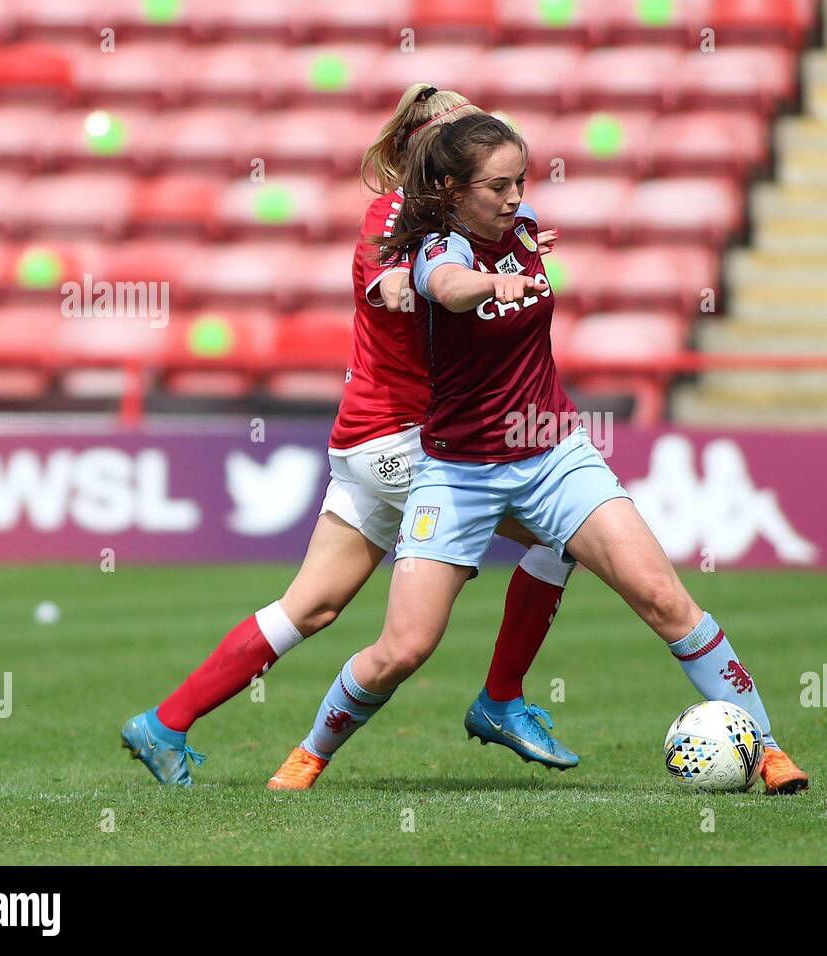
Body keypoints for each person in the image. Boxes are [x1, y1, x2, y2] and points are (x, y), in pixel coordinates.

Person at [279, 112, 810, 794]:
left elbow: (518, 229)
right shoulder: (439, 250)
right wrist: (489, 285)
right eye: (497, 186)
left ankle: (767, 751)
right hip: (458, 471)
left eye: (520, 181)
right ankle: (311, 753)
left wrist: (522, 241)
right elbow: (446, 286)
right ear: (450, 188)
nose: (513, 197)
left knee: (662, 596)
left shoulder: (520, 221)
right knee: (402, 649)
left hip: (553, 453)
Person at [120, 84, 579, 789]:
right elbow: (394, 279)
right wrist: (410, 286)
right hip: (404, 441)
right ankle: (503, 698)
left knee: (312, 605)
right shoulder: (396, 218)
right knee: (560, 533)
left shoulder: (444, 221)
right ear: (431, 153)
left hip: (369, 439)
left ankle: (165, 723)